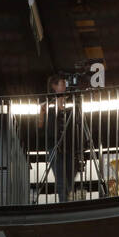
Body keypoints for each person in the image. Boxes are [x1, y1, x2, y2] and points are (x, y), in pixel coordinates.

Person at [39, 74, 80, 203]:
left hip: (70, 146)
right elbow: (40, 126)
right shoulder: (47, 104)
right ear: (54, 87)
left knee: (70, 176)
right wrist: (41, 113)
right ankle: (65, 204)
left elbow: (77, 122)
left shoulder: (71, 102)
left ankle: (67, 199)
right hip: (54, 145)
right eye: (62, 84)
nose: (65, 86)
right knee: (61, 180)